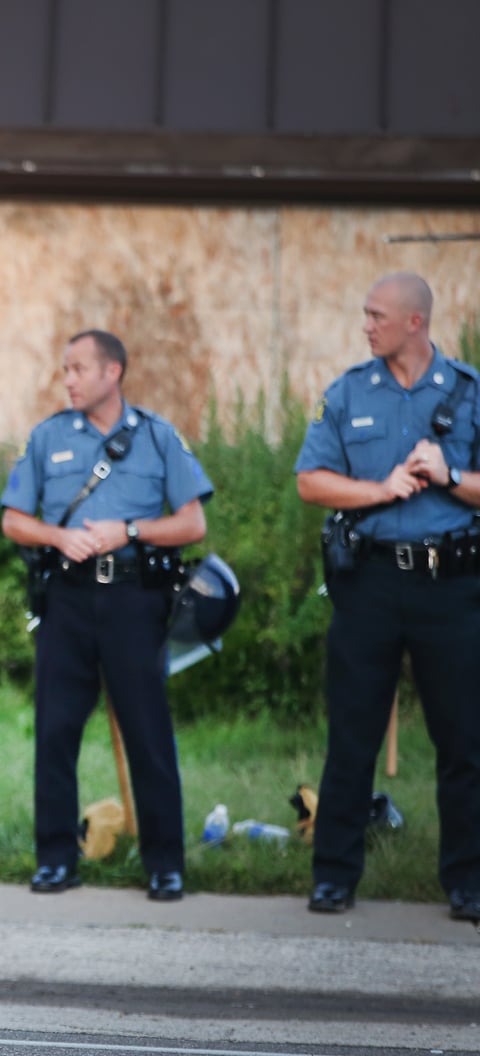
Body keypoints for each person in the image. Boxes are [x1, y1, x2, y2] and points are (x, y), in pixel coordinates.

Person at [0, 329, 212, 903]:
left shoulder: (157, 437)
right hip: (66, 600)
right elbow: (14, 520)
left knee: (148, 732)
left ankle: (165, 864)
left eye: (78, 368)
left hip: (134, 600)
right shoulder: (47, 437)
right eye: (65, 369)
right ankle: (55, 859)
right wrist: (59, 537)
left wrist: (130, 530)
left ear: (112, 372)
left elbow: (193, 523)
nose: (67, 379)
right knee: (56, 731)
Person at [294, 272, 480, 923]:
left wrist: (449, 475)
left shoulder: (469, 391)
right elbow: (311, 482)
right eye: (366, 314)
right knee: (352, 736)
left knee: (464, 740)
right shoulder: (347, 393)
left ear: (414, 322)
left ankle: (468, 881)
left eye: (377, 315)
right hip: (369, 583)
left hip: (451, 585)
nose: (366, 325)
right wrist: (381, 489)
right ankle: (334, 876)